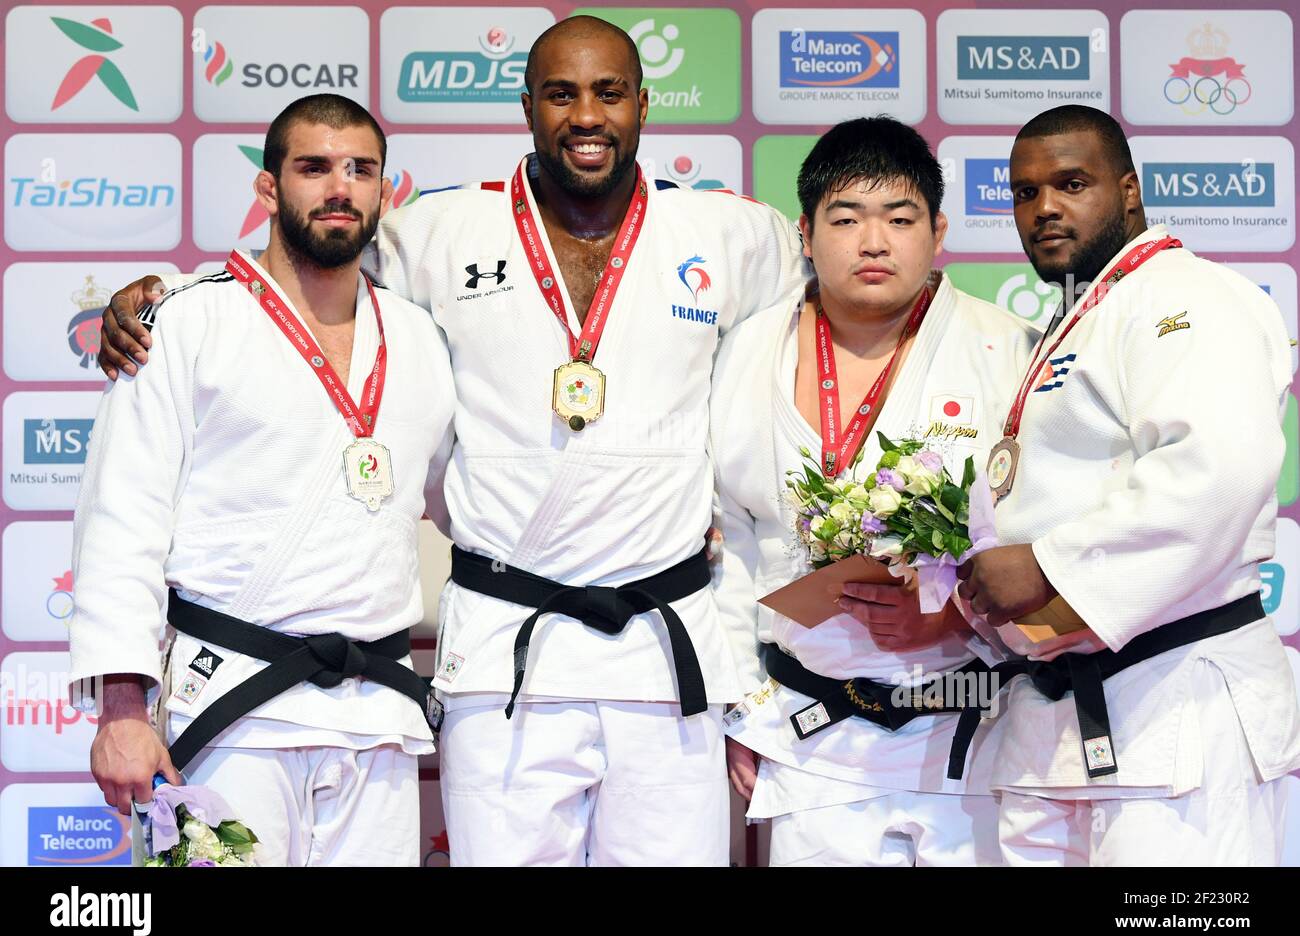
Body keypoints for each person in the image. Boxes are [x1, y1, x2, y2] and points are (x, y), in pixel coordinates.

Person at [95, 16, 808, 866]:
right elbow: (300, 280)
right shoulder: (431, 235)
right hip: (503, 649)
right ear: (526, 107)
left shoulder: (737, 236)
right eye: (560, 93)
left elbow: (826, 319)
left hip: (664, 643)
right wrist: (166, 299)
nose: (586, 114)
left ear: (644, 105)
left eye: (609, 92)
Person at [70, 94, 455, 866]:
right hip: (228, 713)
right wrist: (120, 707)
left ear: (385, 189)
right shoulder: (183, 321)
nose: (339, 188)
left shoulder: (420, 337)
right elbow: (123, 519)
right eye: (313, 168)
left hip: (375, 716)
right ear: (269, 188)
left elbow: (473, 499)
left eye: (360, 170)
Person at [956, 104, 1300, 866]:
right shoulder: (1080, 315)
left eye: (1070, 184)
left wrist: (1044, 565)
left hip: (1177, 705)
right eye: (1023, 193)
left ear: (1130, 190)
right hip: (1056, 720)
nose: (1043, 208)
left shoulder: (1185, 296)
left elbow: (1218, 467)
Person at [712, 117, 1037, 866]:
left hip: (972, 724)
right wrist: (743, 708)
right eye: (846, 218)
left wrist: (957, 617)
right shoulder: (745, 353)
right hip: (809, 727)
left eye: (899, 218)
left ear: (939, 230)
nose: (873, 242)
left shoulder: (1006, 348)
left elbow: (1045, 539)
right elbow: (724, 546)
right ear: (805, 231)